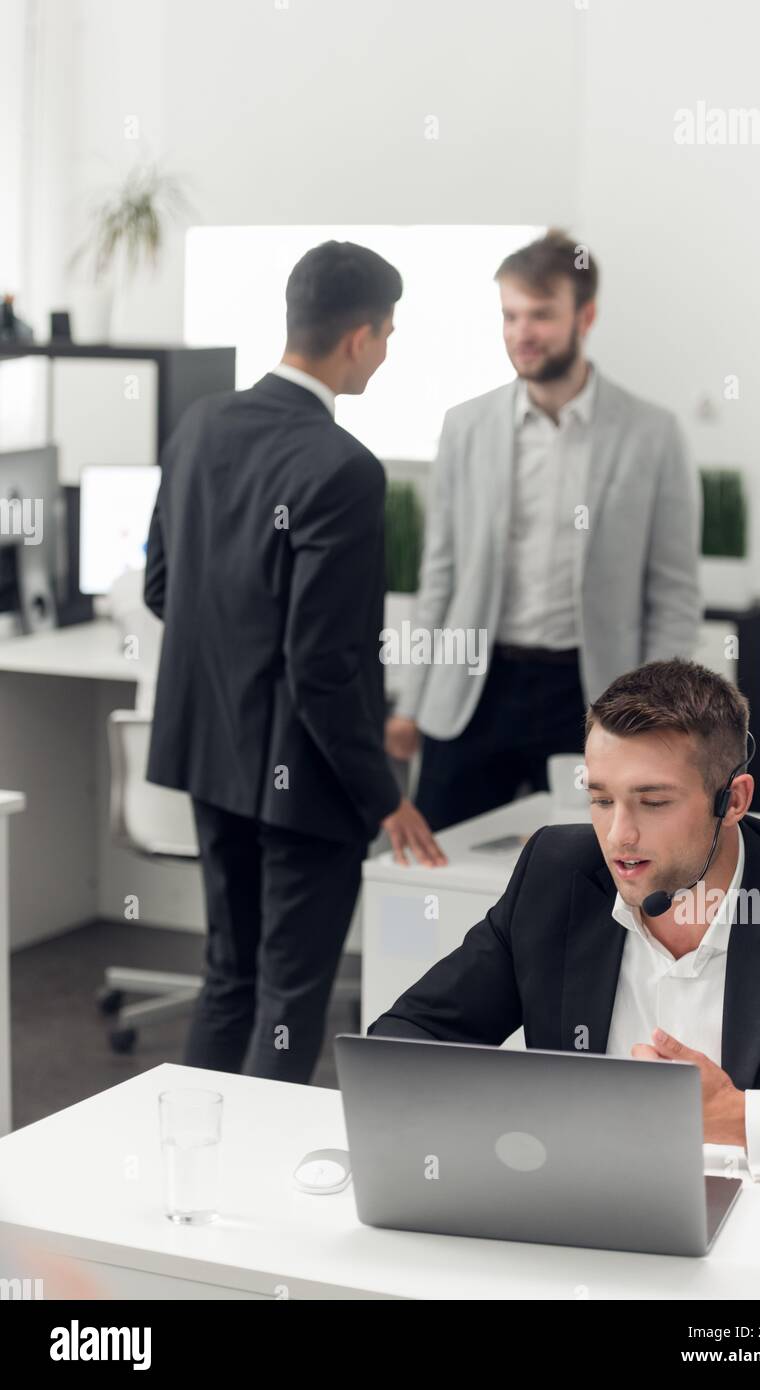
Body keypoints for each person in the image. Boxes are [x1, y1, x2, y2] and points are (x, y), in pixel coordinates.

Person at [371, 658, 760, 1183]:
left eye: (653, 802)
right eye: (602, 800)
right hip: (575, 1209)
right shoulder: (556, 874)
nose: (618, 835)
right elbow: (403, 1040)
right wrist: (538, 1113)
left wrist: (736, 1117)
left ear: (734, 800)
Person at [144, 240, 445, 1085]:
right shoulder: (344, 469)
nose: (386, 354)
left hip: (213, 759)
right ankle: (253, 1199)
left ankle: (191, 1188)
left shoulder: (198, 424)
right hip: (302, 778)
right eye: (388, 335)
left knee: (229, 978)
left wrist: (244, 672)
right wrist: (384, 797)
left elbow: (166, 588)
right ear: (359, 335)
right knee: (289, 998)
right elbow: (323, 666)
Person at [387, 230, 701, 831]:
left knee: (591, 873)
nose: (521, 333)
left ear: (585, 315)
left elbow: (674, 591)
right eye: (509, 315)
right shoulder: (466, 426)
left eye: (540, 315)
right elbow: (440, 577)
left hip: (591, 694)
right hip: (473, 691)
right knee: (442, 862)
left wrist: (660, 712)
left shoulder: (651, 434)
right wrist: (410, 700)